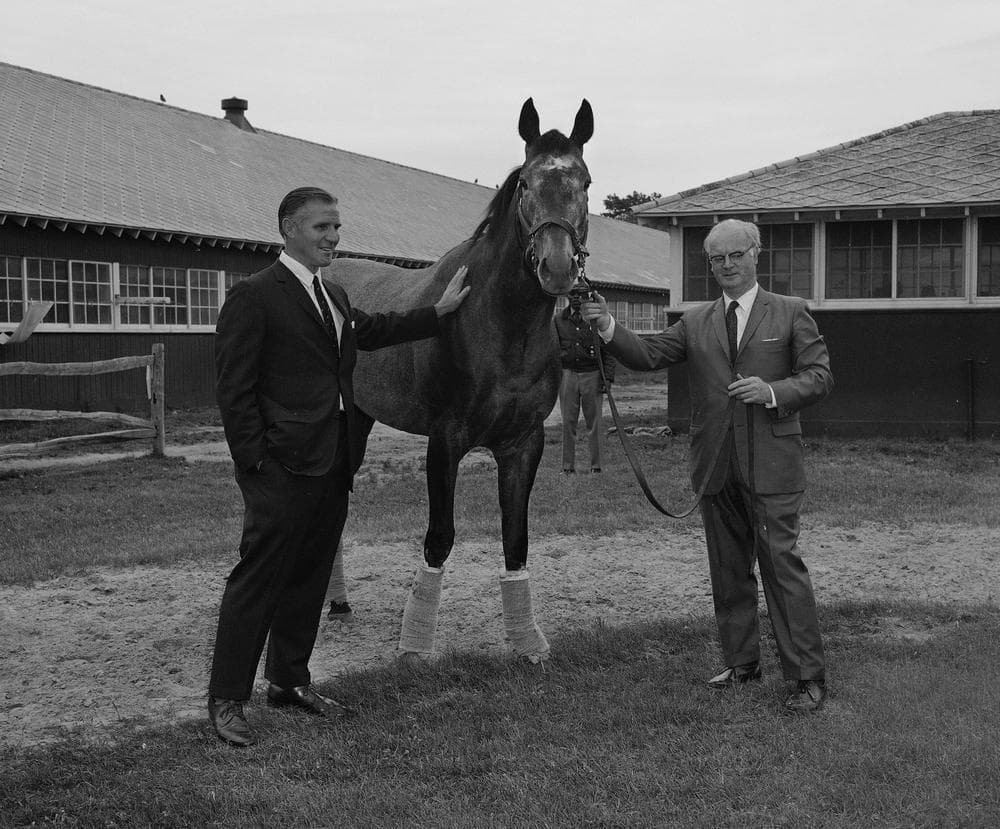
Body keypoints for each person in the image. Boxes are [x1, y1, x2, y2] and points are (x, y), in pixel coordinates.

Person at [209, 186, 470, 746]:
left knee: (309, 578)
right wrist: (255, 463)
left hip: (332, 462)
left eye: (336, 229)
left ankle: (288, 681)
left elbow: (373, 331)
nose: (331, 237)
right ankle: (228, 699)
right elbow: (235, 391)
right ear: (287, 228)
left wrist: (439, 313)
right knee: (257, 581)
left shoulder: (333, 296)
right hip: (279, 469)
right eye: (320, 228)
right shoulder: (255, 295)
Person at [579, 219, 833, 714]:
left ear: (756, 254)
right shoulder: (695, 322)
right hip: (715, 466)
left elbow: (820, 377)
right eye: (716, 259)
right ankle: (743, 664)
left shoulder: (790, 312)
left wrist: (773, 391)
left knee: (782, 568)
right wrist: (607, 324)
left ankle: (806, 677)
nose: (726, 266)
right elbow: (648, 353)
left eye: (735, 255)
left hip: (773, 467)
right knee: (728, 569)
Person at [554, 296, 616, 474]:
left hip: (593, 374)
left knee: (595, 421)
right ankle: (567, 467)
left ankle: (596, 466)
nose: (576, 299)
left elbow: (608, 350)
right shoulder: (558, 320)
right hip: (567, 374)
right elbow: (553, 348)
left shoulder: (596, 320)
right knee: (568, 421)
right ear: (567, 296)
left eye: (580, 295)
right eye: (572, 294)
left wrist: (608, 379)